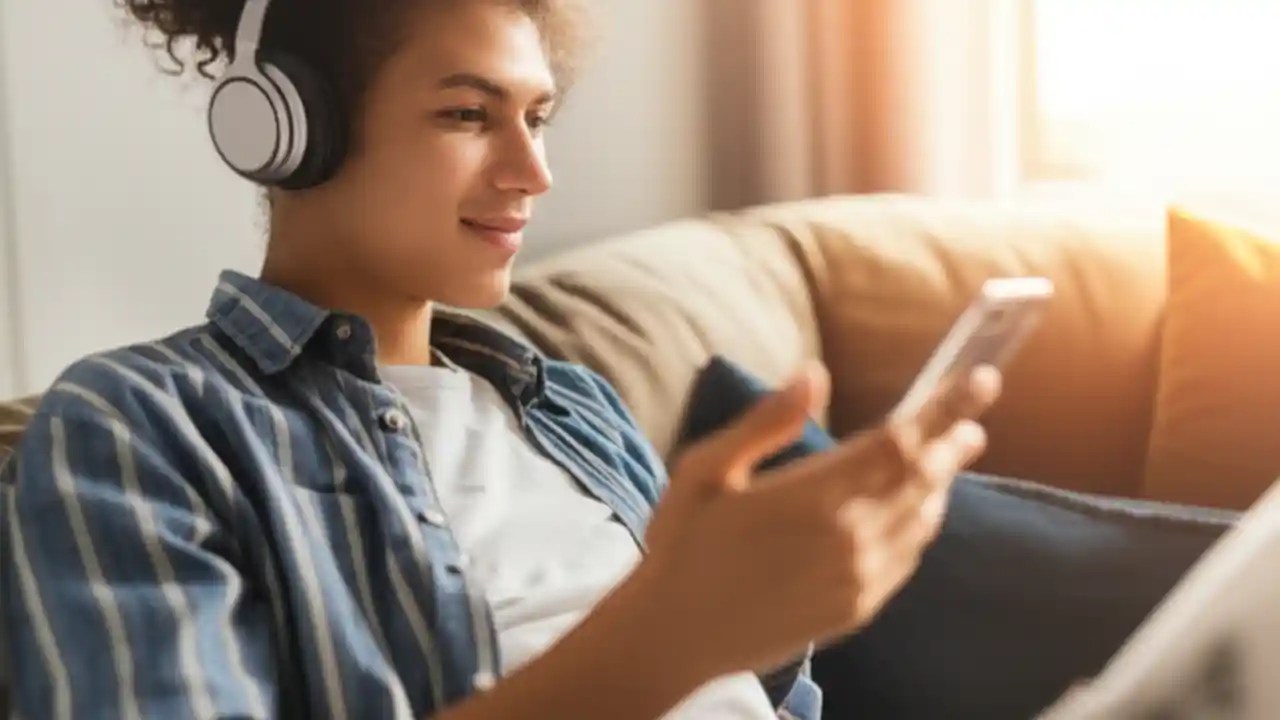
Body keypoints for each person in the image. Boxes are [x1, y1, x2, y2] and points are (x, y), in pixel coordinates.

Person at [0, 0, 1000, 718]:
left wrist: (776, 605)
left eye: (537, 116)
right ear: (284, 132)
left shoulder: (569, 406)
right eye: (467, 115)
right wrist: (663, 641)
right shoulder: (142, 427)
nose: (532, 172)